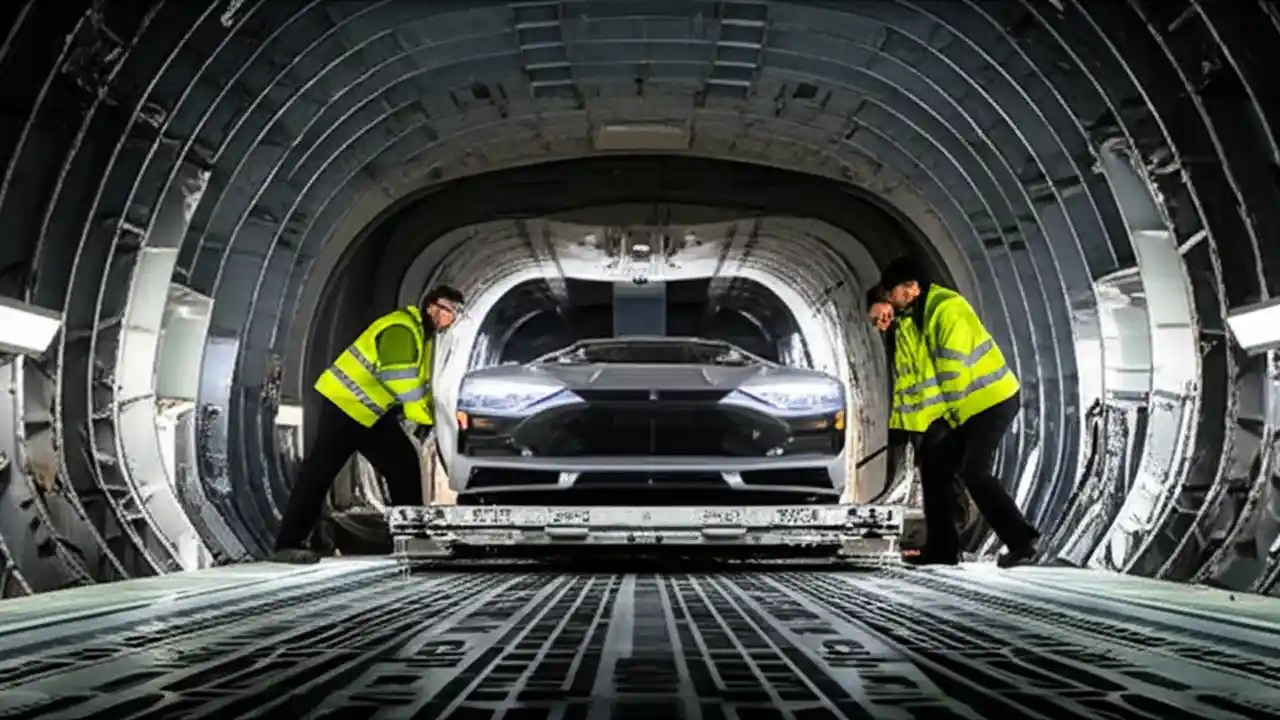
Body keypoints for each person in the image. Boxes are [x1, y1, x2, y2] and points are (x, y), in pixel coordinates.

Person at [270, 285, 466, 563]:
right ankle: (287, 544)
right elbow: (402, 385)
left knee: (404, 466)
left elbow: (415, 389)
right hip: (345, 407)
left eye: (456, 313)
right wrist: (430, 420)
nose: (451, 318)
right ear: (431, 306)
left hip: (370, 414)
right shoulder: (401, 329)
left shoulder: (422, 336)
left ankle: (411, 538)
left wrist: (431, 415)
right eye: (448, 310)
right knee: (319, 473)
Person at [876, 258, 1040, 568]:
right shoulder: (916, 313)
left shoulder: (947, 310)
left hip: (990, 400)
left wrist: (948, 421)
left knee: (973, 471)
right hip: (965, 407)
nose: (888, 298)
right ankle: (942, 550)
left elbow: (954, 374)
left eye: (891, 292)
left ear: (911, 288)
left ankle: (1023, 543)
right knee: (935, 469)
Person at [866, 284, 969, 542]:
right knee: (909, 473)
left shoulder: (913, 322)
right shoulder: (896, 331)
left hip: (931, 416)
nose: (880, 323)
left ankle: (957, 522)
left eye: (879, 316)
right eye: (875, 321)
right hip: (908, 417)